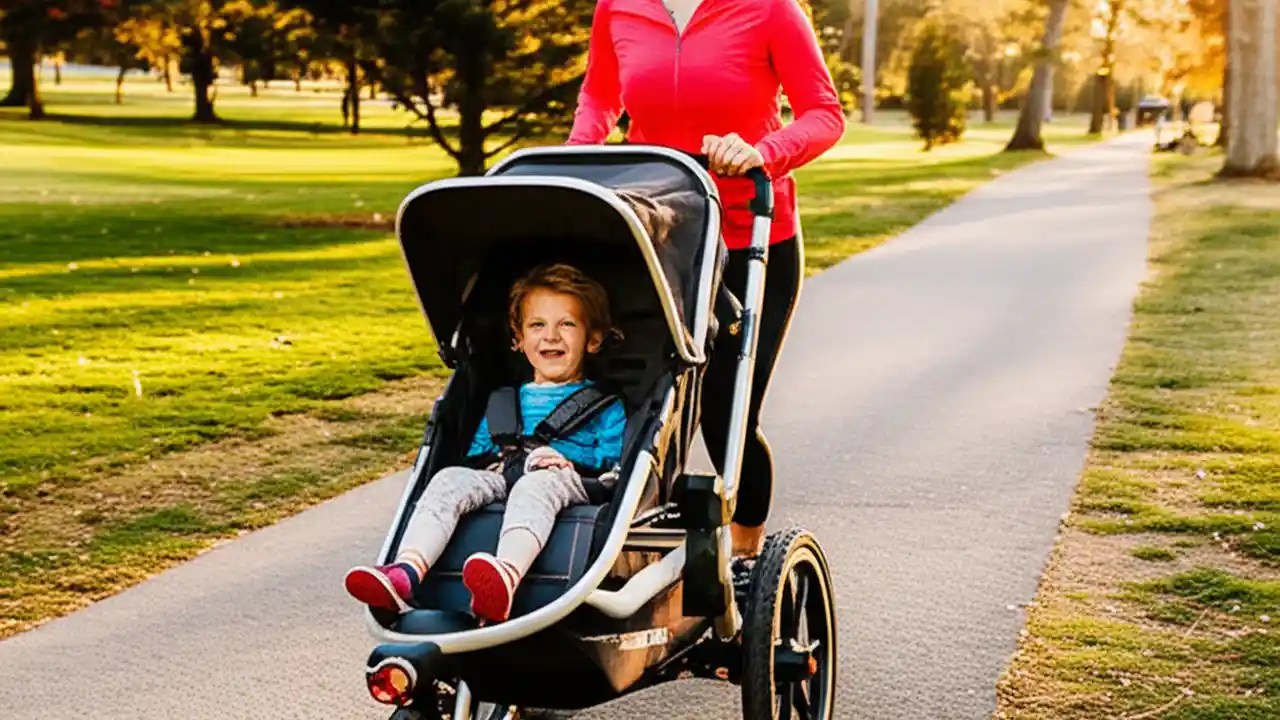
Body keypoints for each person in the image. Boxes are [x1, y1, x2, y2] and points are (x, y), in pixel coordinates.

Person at [567, 0, 846, 557]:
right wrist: (577, 154)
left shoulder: (771, 10)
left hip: (749, 237)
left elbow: (824, 113)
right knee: (637, 398)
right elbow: (601, 95)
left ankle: (746, 559)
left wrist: (761, 151)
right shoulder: (618, 8)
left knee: (725, 412)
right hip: (658, 235)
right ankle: (621, 550)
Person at [344, 264, 627, 623]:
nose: (551, 336)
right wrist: (487, 468)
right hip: (503, 472)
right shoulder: (502, 402)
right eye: (537, 325)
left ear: (593, 339)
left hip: (566, 481)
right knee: (448, 479)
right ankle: (405, 571)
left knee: (535, 485)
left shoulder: (604, 405)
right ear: (518, 339)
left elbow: (613, 468)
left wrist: (566, 461)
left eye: (566, 324)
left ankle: (505, 575)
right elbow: (478, 456)